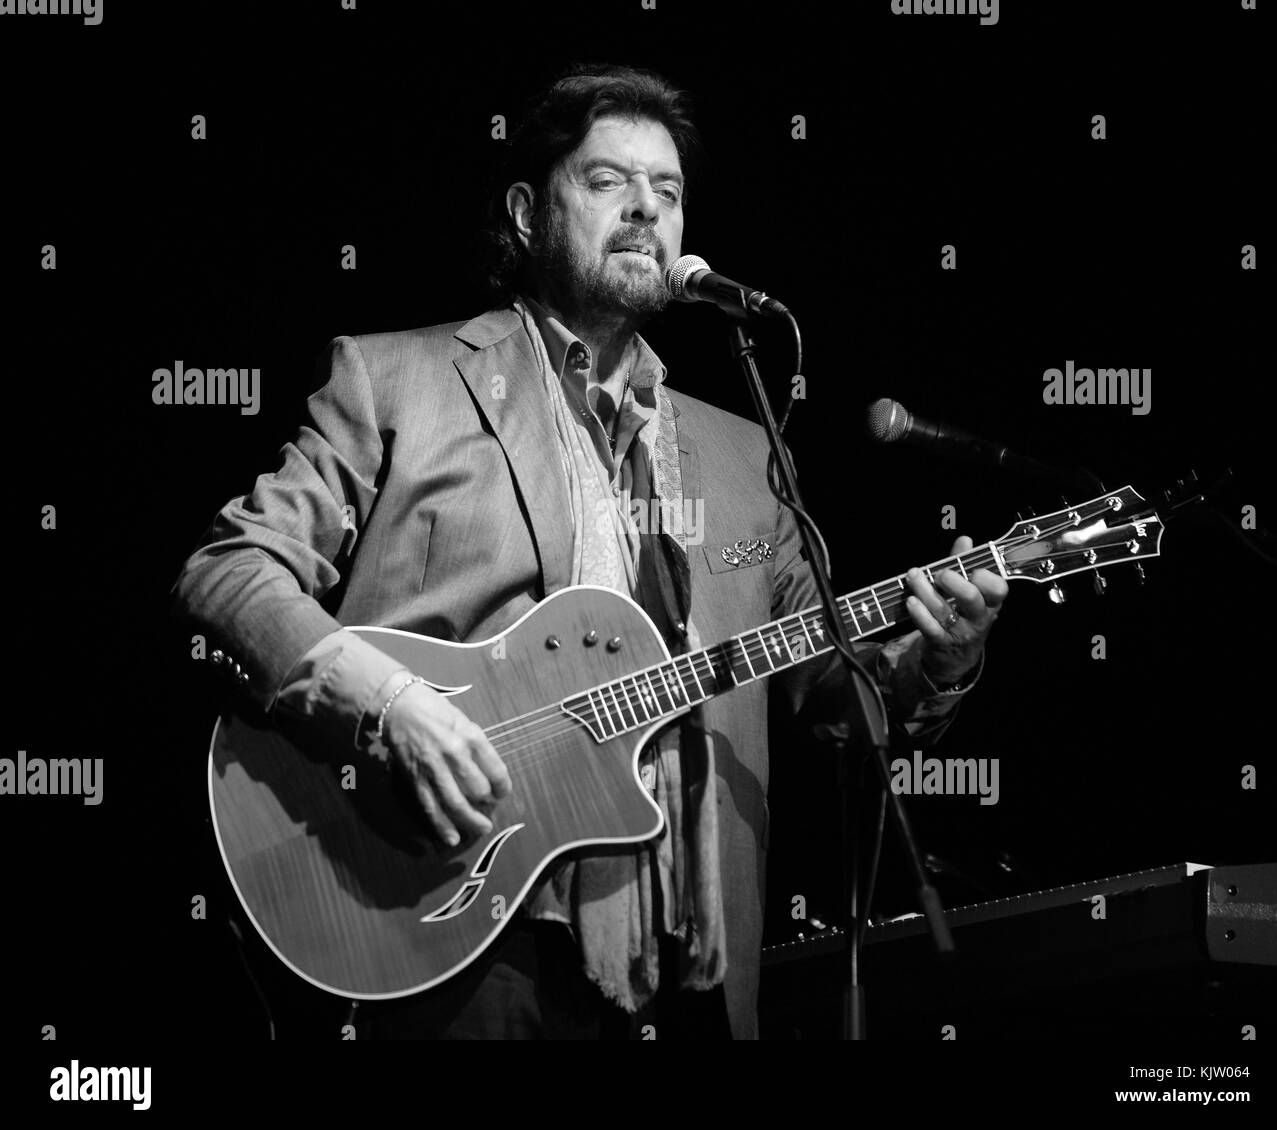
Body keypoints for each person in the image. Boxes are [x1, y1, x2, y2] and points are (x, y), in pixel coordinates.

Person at [171, 62, 1008, 1040]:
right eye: (609, 180)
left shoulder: (743, 456)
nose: (646, 208)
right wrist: (390, 706)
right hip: (458, 928)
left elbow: (831, 703)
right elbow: (229, 571)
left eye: (669, 191)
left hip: (690, 966)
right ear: (528, 213)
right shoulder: (394, 380)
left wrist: (936, 660)